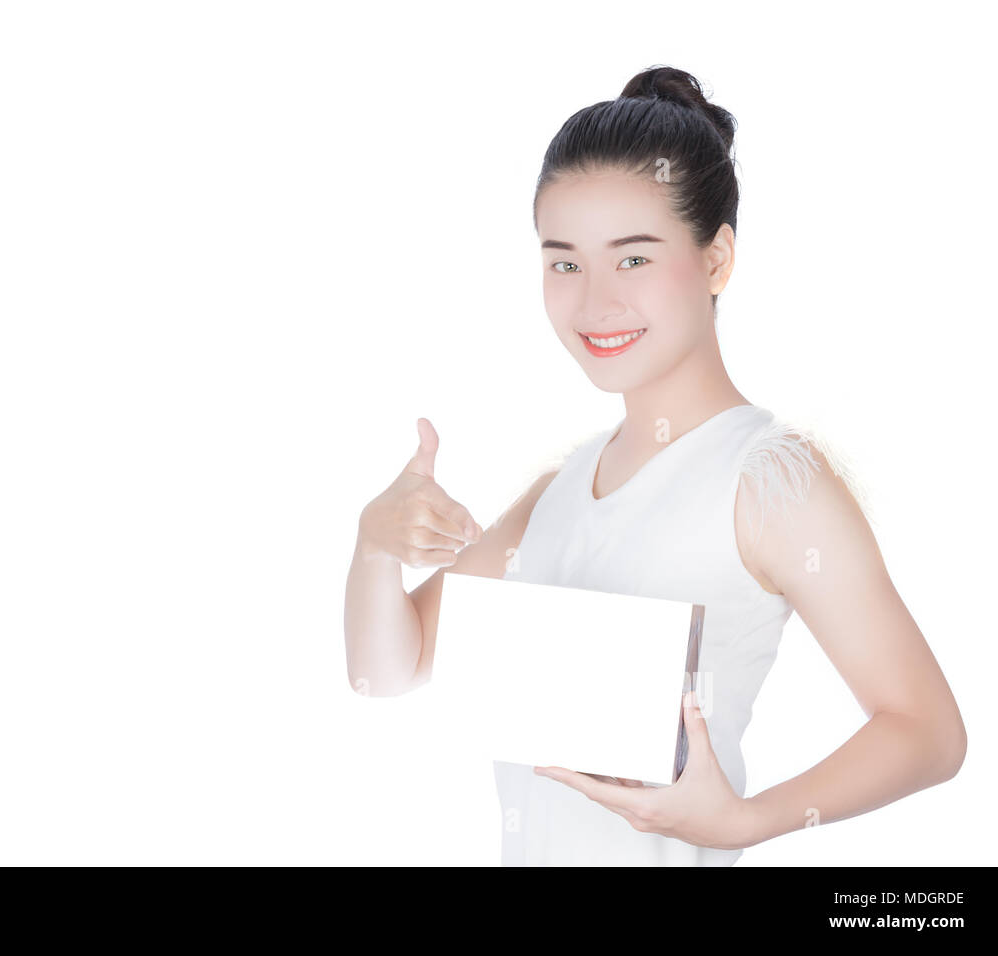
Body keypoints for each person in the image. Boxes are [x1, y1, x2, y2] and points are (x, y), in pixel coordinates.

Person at [342, 65, 966, 865]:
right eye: (565, 263)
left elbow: (928, 730)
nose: (594, 302)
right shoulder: (558, 492)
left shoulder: (769, 480)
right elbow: (387, 669)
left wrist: (746, 820)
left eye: (633, 259)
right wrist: (375, 544)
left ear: (717, 259)